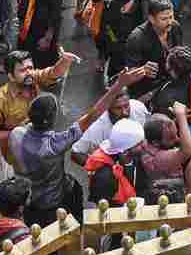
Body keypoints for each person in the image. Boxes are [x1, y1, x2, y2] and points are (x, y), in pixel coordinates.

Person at [10, 65, 153, 227]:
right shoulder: (56, 144)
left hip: (31, 200)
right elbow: (93, 115)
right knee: (73, 227)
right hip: (57, 201)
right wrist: (118, 85)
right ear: (51, 120)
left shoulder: (16, 134)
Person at [0, 50, 78, 176]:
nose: (29, 73)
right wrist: (20, 132)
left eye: (30, 68)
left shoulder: (34, 78)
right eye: (22, 70)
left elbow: (53, 72)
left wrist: (65, 60)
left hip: (41, 146)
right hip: (17, 154)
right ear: (11, 76)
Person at [71, 87, 151, 167]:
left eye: (126, 106)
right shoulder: (94, 126)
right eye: (118, 108)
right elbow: (76, 153)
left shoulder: (138, 108)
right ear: (107, 108)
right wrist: (102, 169)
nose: (124, 112)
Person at [85, 118, 154, 207]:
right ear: (125, 152)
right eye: (139, 143)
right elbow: (99, 206)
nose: (144, 145)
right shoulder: (104, 177)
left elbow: (142, 186)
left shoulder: (137, 159)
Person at [140, 104, 191, 183]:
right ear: (156, 142)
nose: (178, 139)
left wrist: (180, 119)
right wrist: (181, 117)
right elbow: (187, 151)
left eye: (177, 135)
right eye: (172, 138)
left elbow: (168, 127)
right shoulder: (157, 159)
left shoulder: (152, 136)